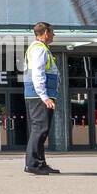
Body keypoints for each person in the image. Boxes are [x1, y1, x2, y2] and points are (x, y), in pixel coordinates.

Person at [23, 22, 59, 175]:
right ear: (45, 33)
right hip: (39, 95)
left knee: (41, 129)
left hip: (38, 95)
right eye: (52, 32)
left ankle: (40, 163)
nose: (54, 35)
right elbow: (37, 74)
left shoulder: (40, 48)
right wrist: (44, 97)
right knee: (40, 129)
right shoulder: (39, 49)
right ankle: (33, 164)